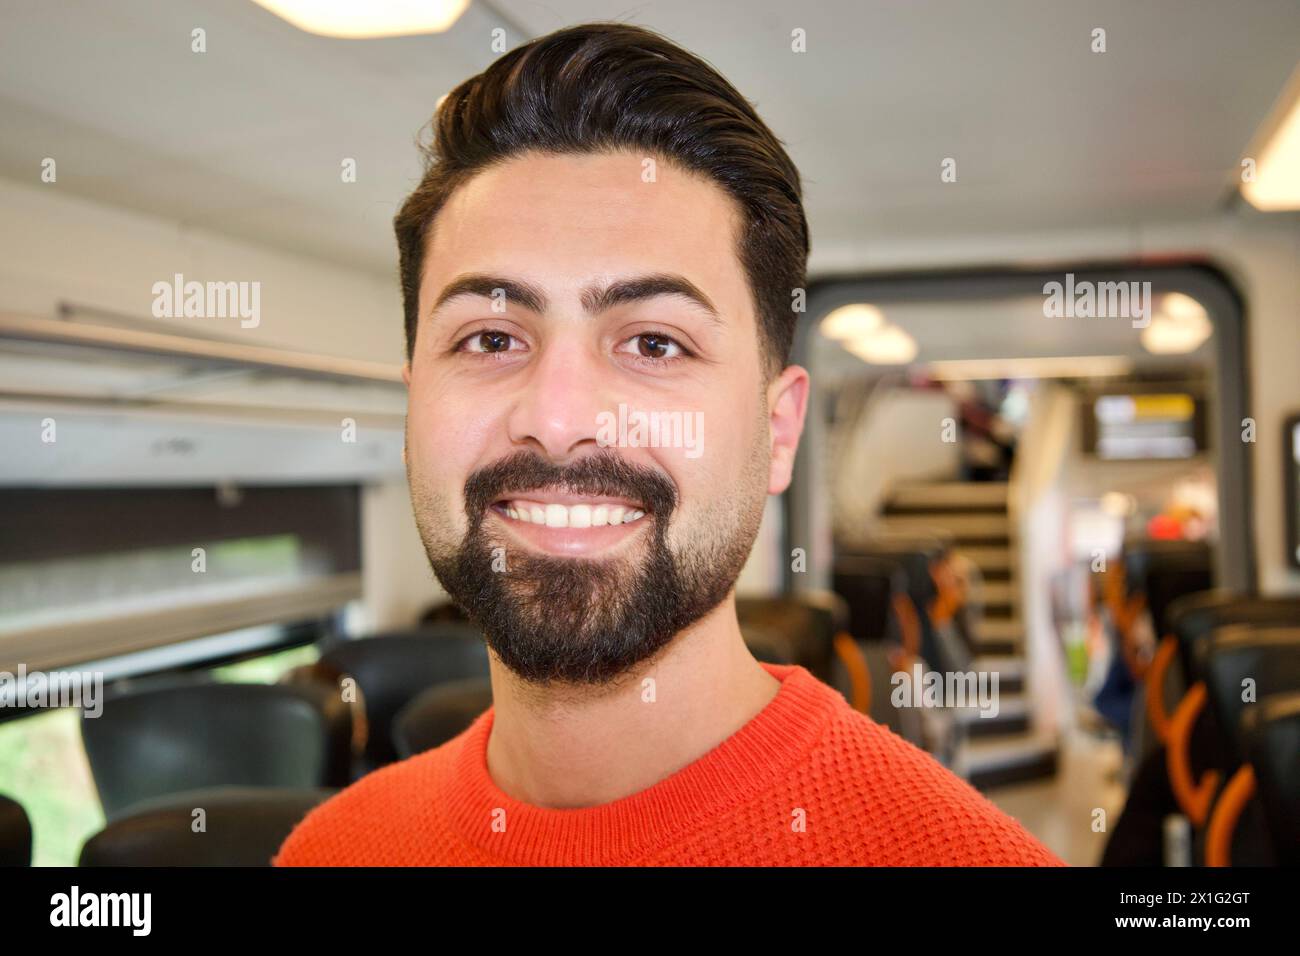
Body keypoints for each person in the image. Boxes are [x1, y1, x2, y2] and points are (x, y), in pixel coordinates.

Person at [275, 22, 1062, 867]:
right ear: (413, 411)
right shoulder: (331, 850)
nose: (561, 416)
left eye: (655, 343)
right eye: (492, 339)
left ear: (778, 429)